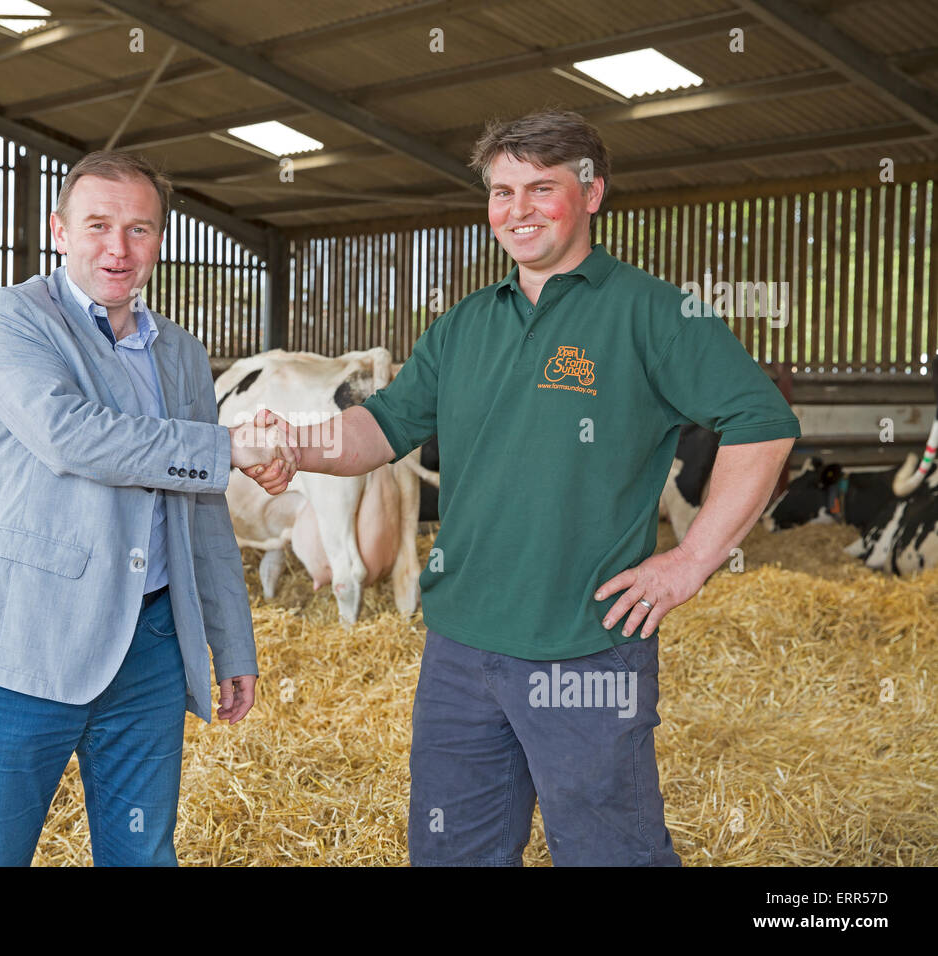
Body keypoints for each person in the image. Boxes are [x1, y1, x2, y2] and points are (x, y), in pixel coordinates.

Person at [257, 110, 801, 866]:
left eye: (541, 188)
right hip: (459, 650)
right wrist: (295, 442)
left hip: (586, 647)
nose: (517, 209)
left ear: (592, 193)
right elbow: (376, 430)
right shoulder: (463, 326)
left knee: (611, 855)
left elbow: (762, 424)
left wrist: (692, 560)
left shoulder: (651, 312)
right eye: (501, 190)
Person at [0, 150, 295, 866]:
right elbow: (72, 439)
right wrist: (230, 446)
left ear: (160, 239)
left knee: (142, 855)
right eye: (97, 225)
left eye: (140, 229)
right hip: (31, 638)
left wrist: (230, 641)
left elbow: (201, 514)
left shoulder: (183, 355)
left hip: (153, 646)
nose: (118, 248)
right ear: (59, 231)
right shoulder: (11, 320)